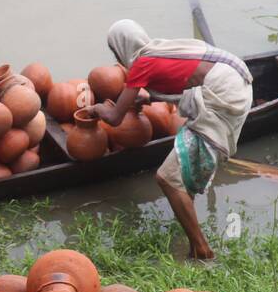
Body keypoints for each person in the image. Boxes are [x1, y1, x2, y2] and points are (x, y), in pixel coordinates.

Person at [88, 19, 254, 260]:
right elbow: (181, 79)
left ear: (120, 48)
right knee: (180, 171)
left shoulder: (141, 64)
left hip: (224, 91)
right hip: (234, 74)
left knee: (167, 178)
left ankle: (202, 250)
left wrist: (97, 110)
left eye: (114, 51)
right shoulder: (159, 49)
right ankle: (193, 228)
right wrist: (147, 100)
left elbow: (114, 118)